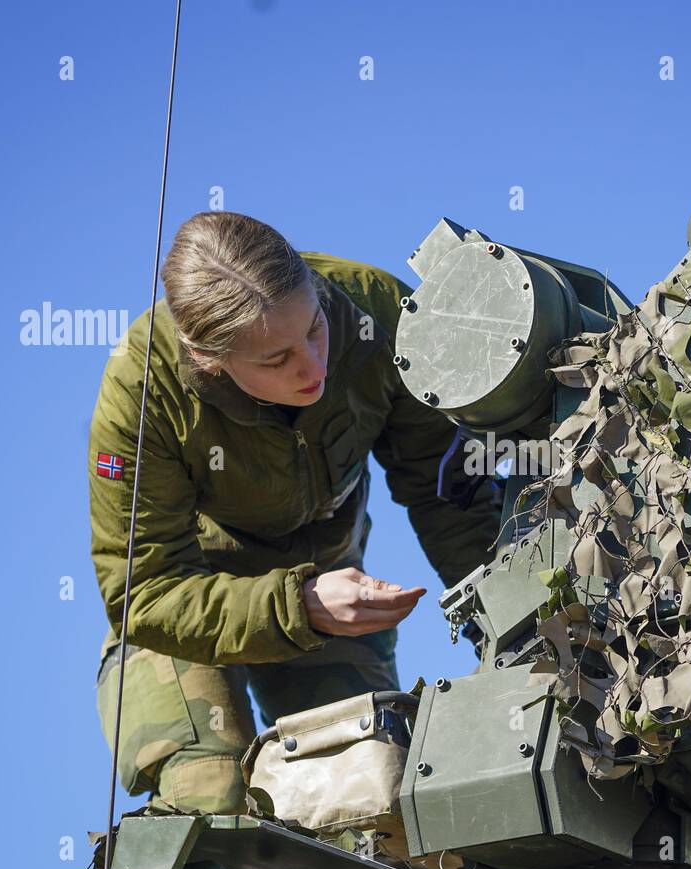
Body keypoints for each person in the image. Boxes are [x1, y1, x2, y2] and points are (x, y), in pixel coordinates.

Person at [88, 211, 499, 814]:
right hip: (189, 602)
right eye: (277, 360)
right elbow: (142, 595)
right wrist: (298, 604)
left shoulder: (376, 317)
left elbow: (449, 496)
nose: (313, 365)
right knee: (212, 793)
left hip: (331, 584)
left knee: (367, 795)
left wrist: (514, 626)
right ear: (210, 359)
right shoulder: (143, 393)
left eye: (312, 328)